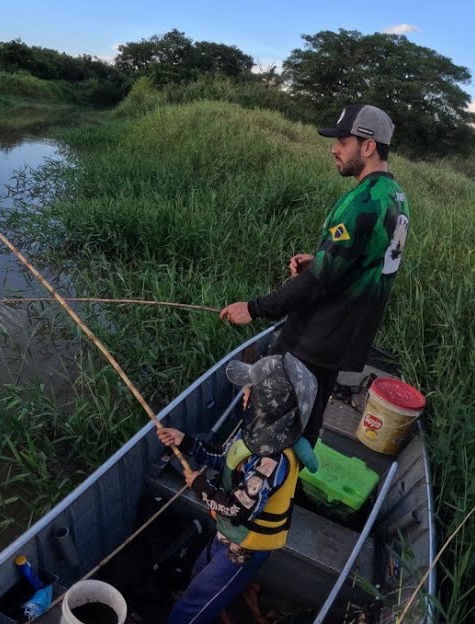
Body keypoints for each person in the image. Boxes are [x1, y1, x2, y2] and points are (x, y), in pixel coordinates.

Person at [219, 104, 410, 444]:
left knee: (272, 428)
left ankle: (260, 476)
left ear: (368, 146)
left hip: (313, 337)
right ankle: (294, 472)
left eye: (343, 142)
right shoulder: (395, 197)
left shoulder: (362, 202)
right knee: (308, 422)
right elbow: (371, 260)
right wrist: (322, 258)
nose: (334, 149)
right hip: (341, 339)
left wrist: (253, 308)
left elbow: (315, 283)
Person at [158, 354, 316, 624]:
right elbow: (225, 458)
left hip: (244, 547)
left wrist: (200, 486)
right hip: (225, 534)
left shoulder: (274, 460)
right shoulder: (258, 434)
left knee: (196, 603)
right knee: (199, 573)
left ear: (266, 402)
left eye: (251, 389)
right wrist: (186, 442)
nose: (244, 393)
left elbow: (237, 510)